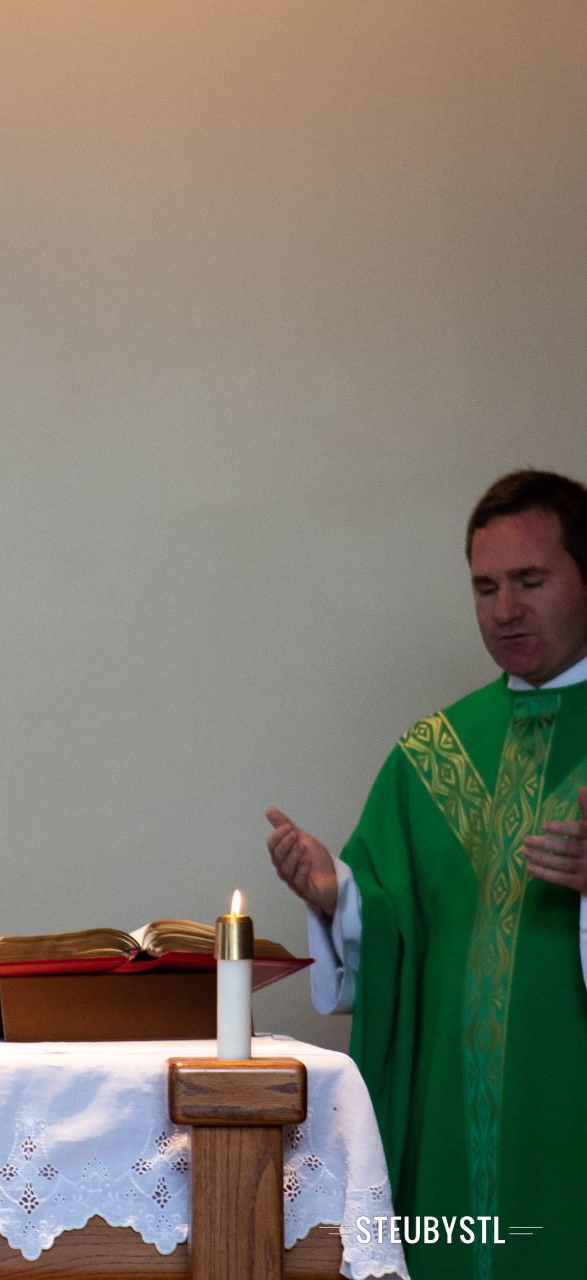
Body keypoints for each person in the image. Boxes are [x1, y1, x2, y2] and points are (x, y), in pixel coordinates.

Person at [266, 469, 587, 1280]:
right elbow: (394, 932)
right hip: (450, 1129)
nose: (504, 610)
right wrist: (339, 898)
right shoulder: (432, 756)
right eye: (485, 587)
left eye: (530, 581)